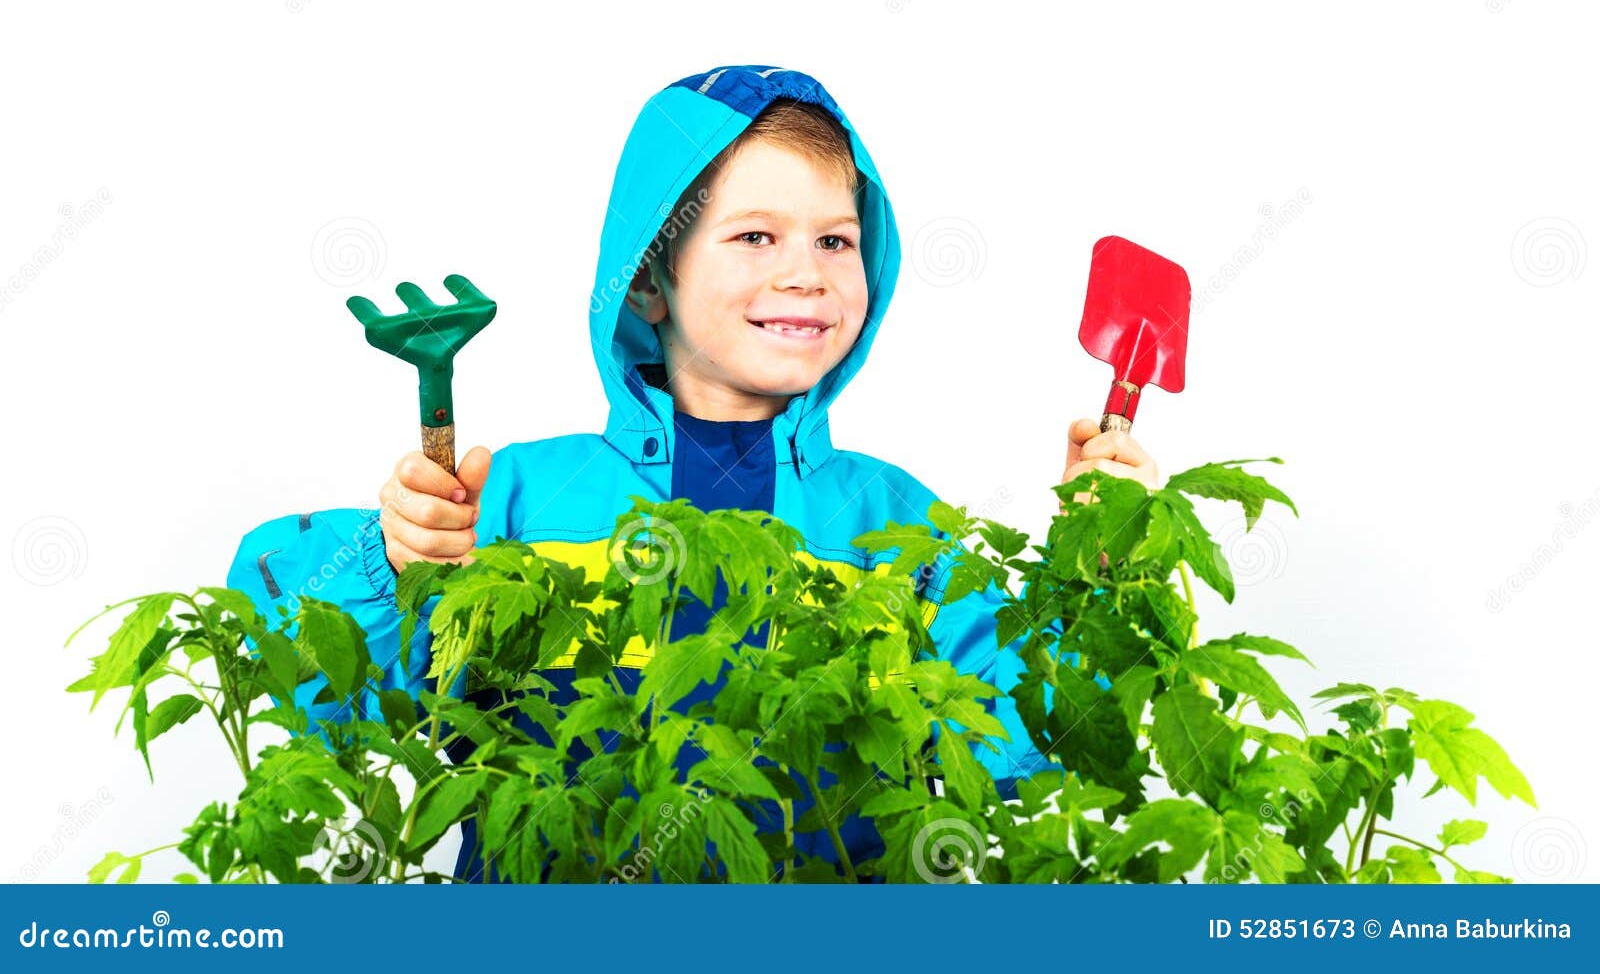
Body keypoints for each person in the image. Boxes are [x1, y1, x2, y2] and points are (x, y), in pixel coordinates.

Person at [228, 64, 1158, 882]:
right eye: (756, 237)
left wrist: (1098, 567)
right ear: (647, 280)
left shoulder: (900, 524)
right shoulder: (514, 498)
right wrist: (396, 561)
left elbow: (1027, 748)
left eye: (836, 240)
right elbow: (343, 700)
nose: (807, 273)